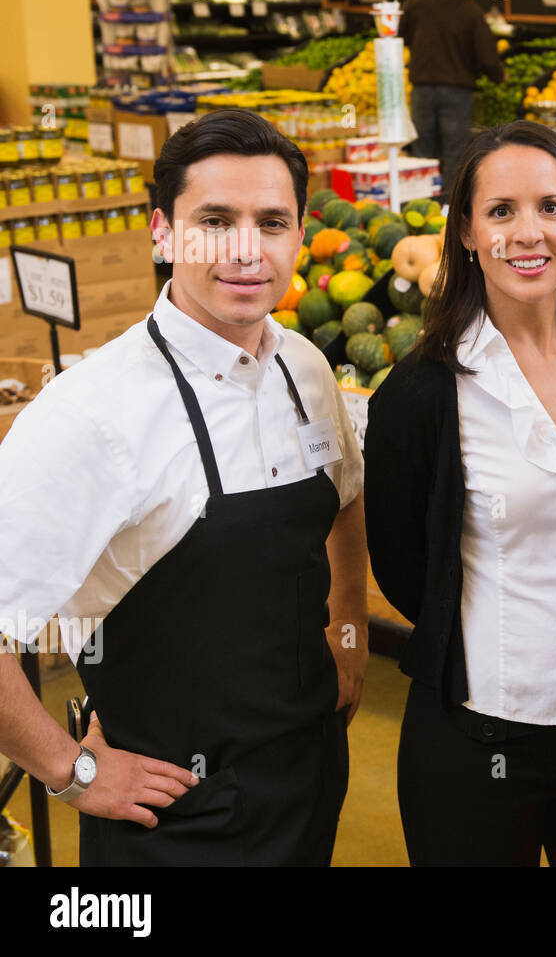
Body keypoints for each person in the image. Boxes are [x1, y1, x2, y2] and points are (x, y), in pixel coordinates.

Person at [0, 108, 366, 866]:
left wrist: (351, 637)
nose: (246, 250)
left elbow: (344, 499)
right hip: (171, 818)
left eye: (272, 222)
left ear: (300, 234)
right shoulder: (90, 412)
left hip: (308, 777)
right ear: (162, 232)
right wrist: (72, 772)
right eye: (214, 220)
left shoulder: (303, 367)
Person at [364, 121, 556, 867]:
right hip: (475, 737)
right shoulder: (424, 392)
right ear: (465, 231)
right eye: (501, 211)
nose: (528, 233)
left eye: (550, 208)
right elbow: (404, 564)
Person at [400, 0, 504, 196]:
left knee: (422, 152)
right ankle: (449, 210)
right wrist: (498, 76)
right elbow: (487, 56)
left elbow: (400, 32)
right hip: (457, 92)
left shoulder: (417, 0)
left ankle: (419, 203)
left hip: (421, 89)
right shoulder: (469, 10)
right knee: (455, 154)